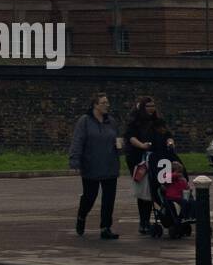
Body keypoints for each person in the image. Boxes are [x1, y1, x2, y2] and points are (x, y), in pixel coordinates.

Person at [68, 91, 121, 239]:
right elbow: (78, 141)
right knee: (90, 196)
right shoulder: (84, 121)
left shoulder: (111, 121)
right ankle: (81, 215)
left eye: (107, 103)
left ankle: (105, 227)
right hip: (91, 165)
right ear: (95, 105)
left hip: (110, 165)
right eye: (103, 103)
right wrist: (74, 160)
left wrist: (120, 146)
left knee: (109, 199)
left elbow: (117, 139)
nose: (107, 105)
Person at [125, 95, 175, 234]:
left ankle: (168, 215)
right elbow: (131, 137)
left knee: (162, 188)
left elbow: (168, 135)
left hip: (159, 159)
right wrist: (142, 145)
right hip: (141, 160)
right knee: (144, 192)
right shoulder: (136, 122)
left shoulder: (159, 122)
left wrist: (170, 141)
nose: (151, 109)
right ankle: (144, 221)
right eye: (148, 106)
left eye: (153, 106)